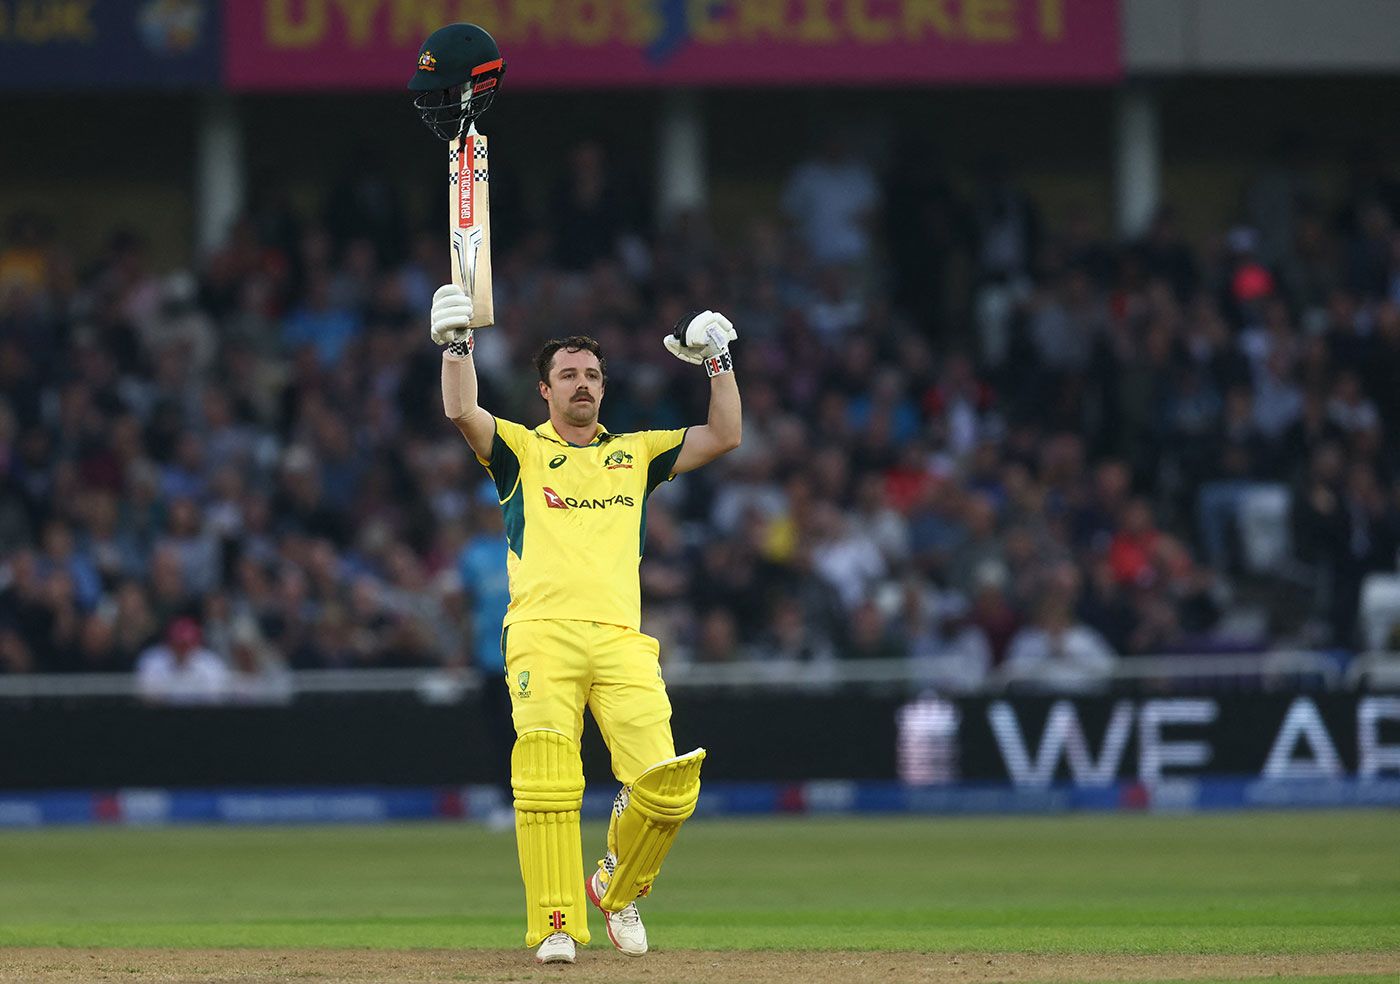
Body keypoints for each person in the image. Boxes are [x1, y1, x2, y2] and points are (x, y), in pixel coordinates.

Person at [432, 283, 742, 964]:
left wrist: (718, 361)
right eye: (568, 375)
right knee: (547, 777)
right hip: (541, 632)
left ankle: (614, 884)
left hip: (621, 638)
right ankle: (554, 925)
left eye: (592, 375)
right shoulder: (518, 451)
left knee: (665, 784)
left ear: (604, 388)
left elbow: (725, 435)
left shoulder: (636, 454)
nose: (582, 384)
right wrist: (457, 345)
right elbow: (461, 409)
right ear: (544, 390)